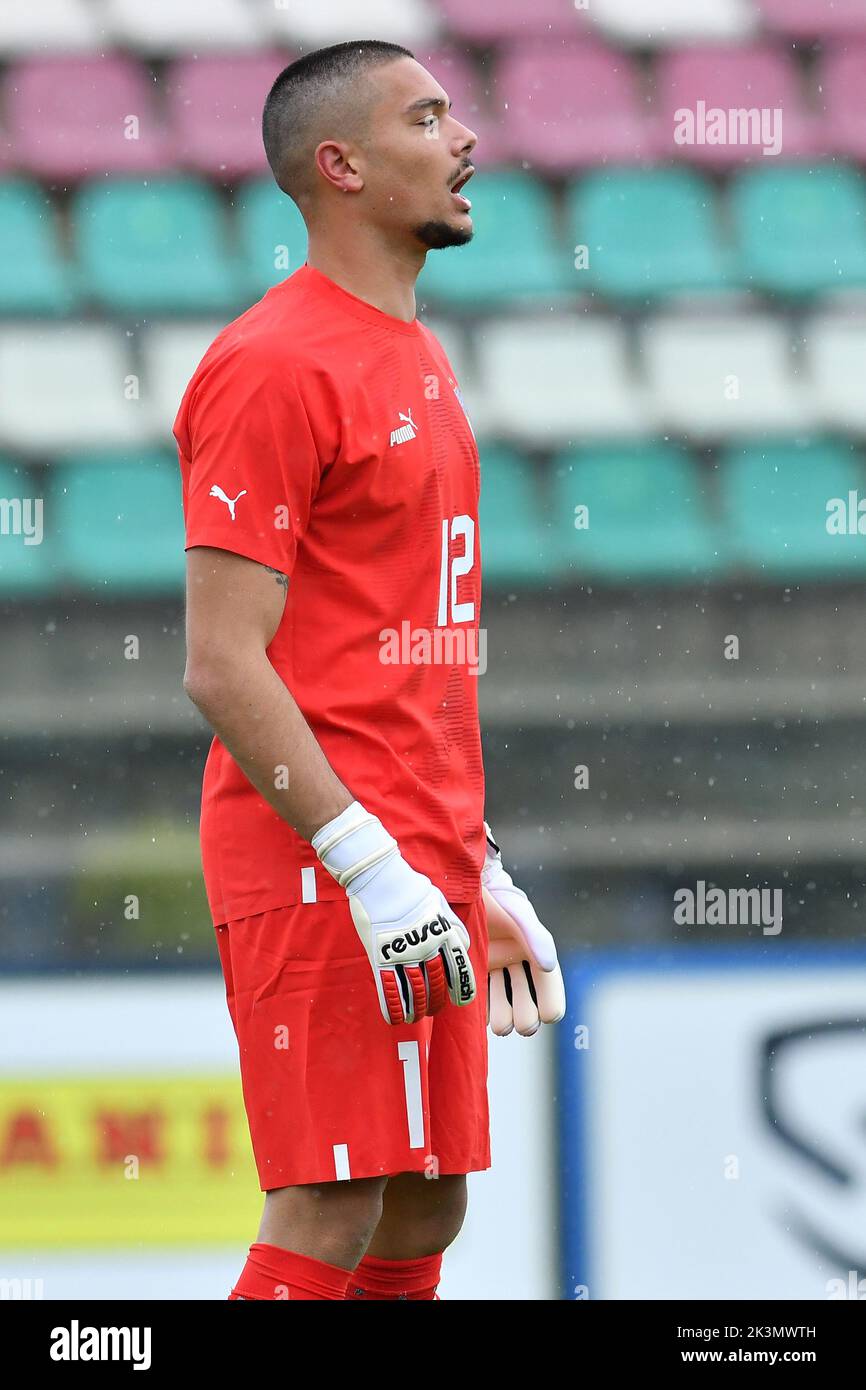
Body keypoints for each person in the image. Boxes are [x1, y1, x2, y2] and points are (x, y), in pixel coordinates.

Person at [175, 39, 564, 1303]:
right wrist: (367, 863)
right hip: (321, 850)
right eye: (426, 118)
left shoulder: (414, 354)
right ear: (338, 166)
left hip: (420, 845)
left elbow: (407, 650)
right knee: (334, 1189)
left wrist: (473, 858)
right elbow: (221, 664)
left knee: (421, 1200)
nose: (464, 141)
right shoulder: (274, 363)